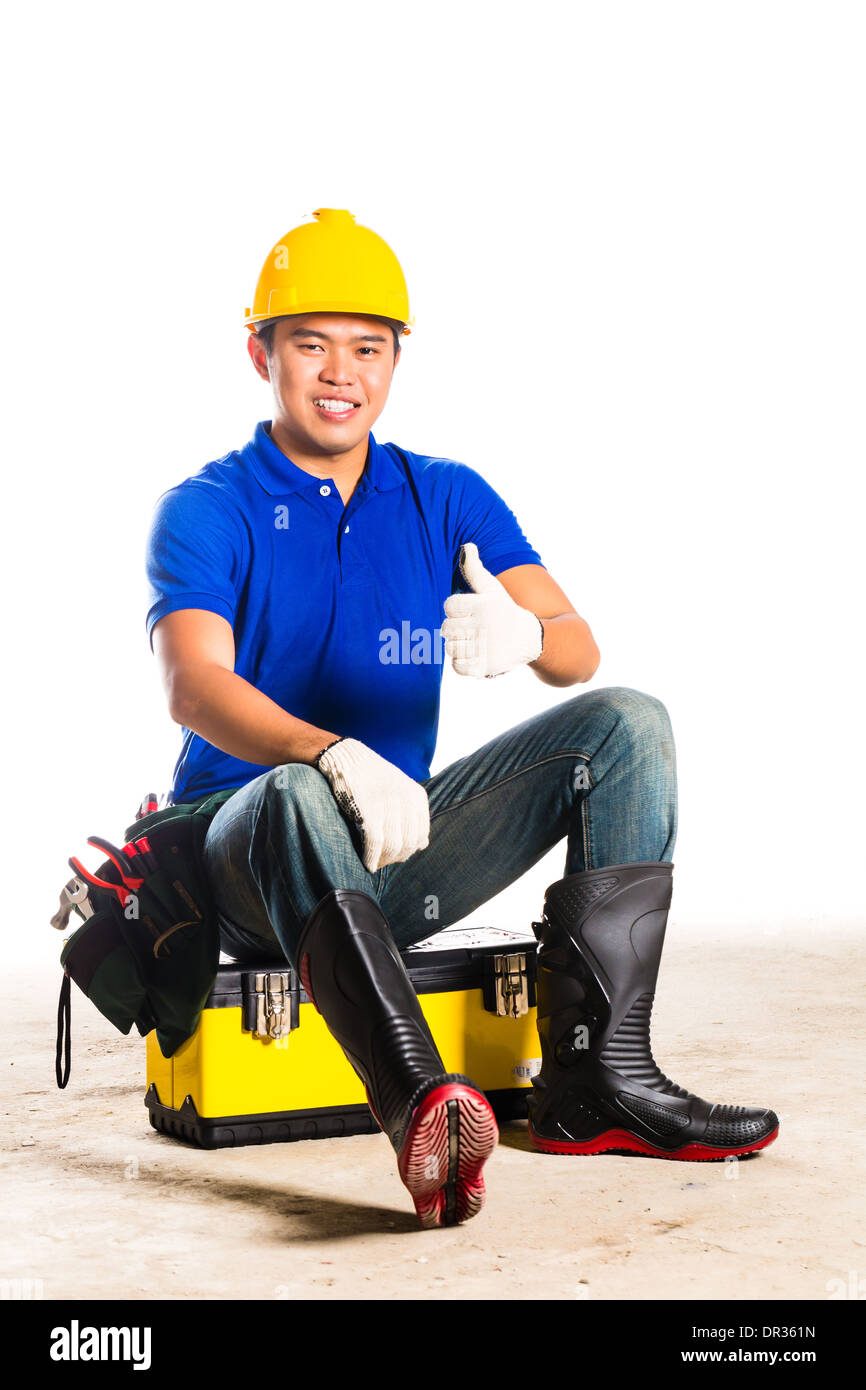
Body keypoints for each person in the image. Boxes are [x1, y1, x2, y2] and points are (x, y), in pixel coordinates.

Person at [146, 207, 779, 1230]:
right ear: (260, 351)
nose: (338, 372)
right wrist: (329, 751)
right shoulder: (207, 507)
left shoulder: (441, 495)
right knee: (294, 797)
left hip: (397, 855)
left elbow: (579, 646)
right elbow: (193, 683)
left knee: (625, 724)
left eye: (367, 347)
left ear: (396, 360)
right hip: (248, 863)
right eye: (310, 344)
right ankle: (419, 1105)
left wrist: (526, 637)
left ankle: (596, 1086)